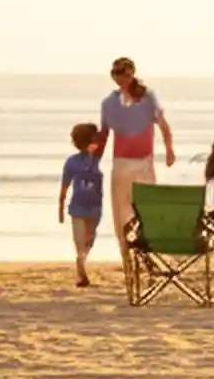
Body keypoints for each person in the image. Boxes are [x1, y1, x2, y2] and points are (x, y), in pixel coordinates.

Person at [91, 57, 176, 269]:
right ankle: (127, 257)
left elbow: (163, 125)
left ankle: (148, 256)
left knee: (145, 210)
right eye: (119, 72)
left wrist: (169, 149)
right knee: (121, 213)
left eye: (126, 72)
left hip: (144, 163)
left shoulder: (147, 98)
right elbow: (104, 135)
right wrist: (93, 162)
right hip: (121, 163)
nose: (123, 76)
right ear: (114, 76)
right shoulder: (109, 103)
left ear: (132, 73)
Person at [59, 123, 104, 287]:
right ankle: (81, 267)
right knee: (80, 241)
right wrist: (60, 208)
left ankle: (82, 261)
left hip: (94, 208)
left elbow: (104, 138)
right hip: (77, 208)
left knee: (89, 239)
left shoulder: (96, 158)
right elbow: (65, 184)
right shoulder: (72, 162)